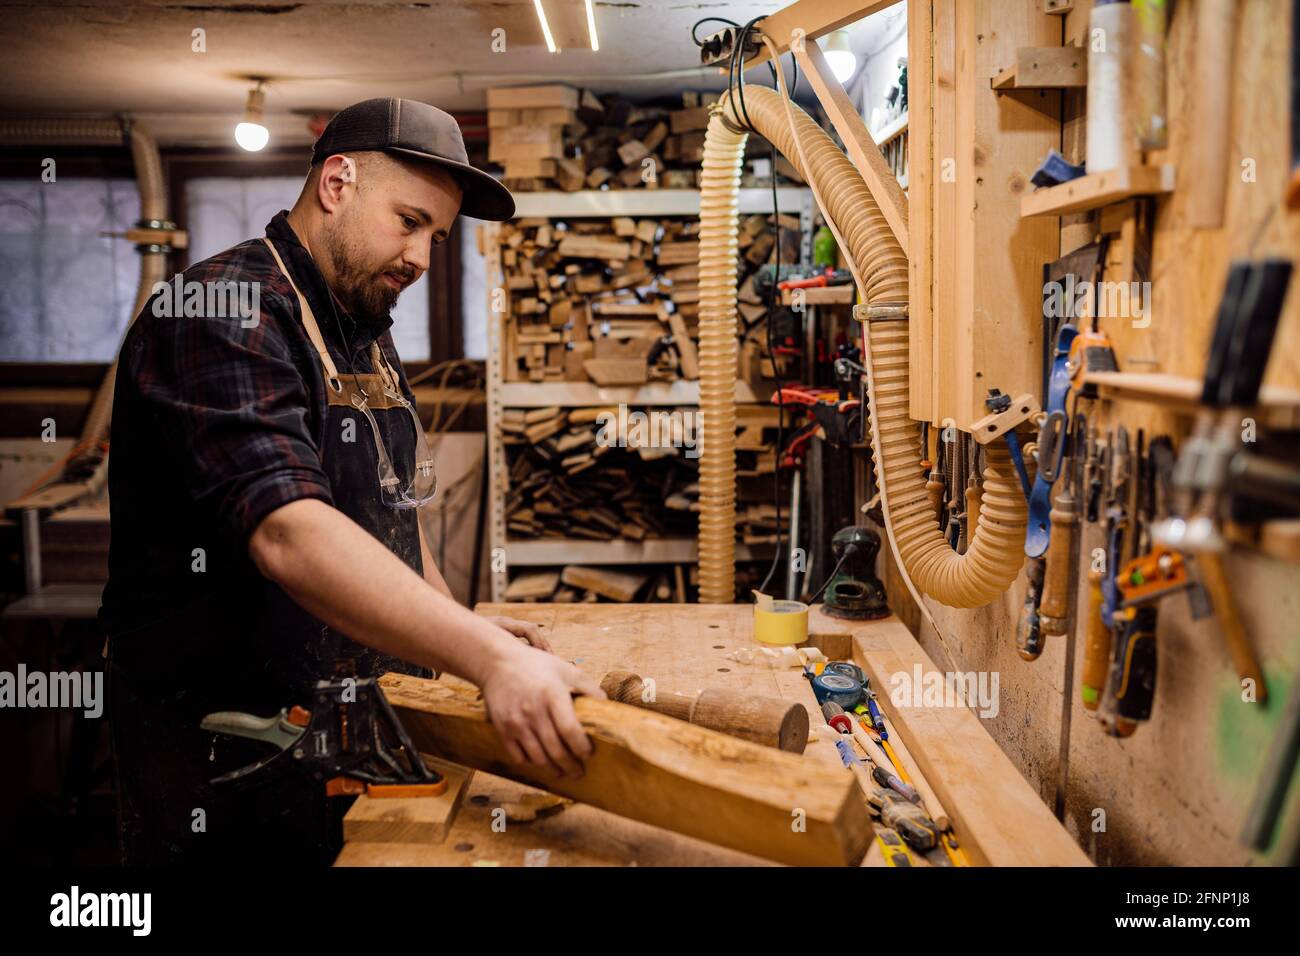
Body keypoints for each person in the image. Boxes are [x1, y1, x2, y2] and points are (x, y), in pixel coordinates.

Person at [100, 98, 604, 864]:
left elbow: (390, 505)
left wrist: (448, 616)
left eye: (437, 236)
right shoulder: (222, 314)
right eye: (408, 222)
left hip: (343, 728)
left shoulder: (360, 323)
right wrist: (488, 658)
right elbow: (289, 532)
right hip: (225, 750)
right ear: (336, 182)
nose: (422, 258)